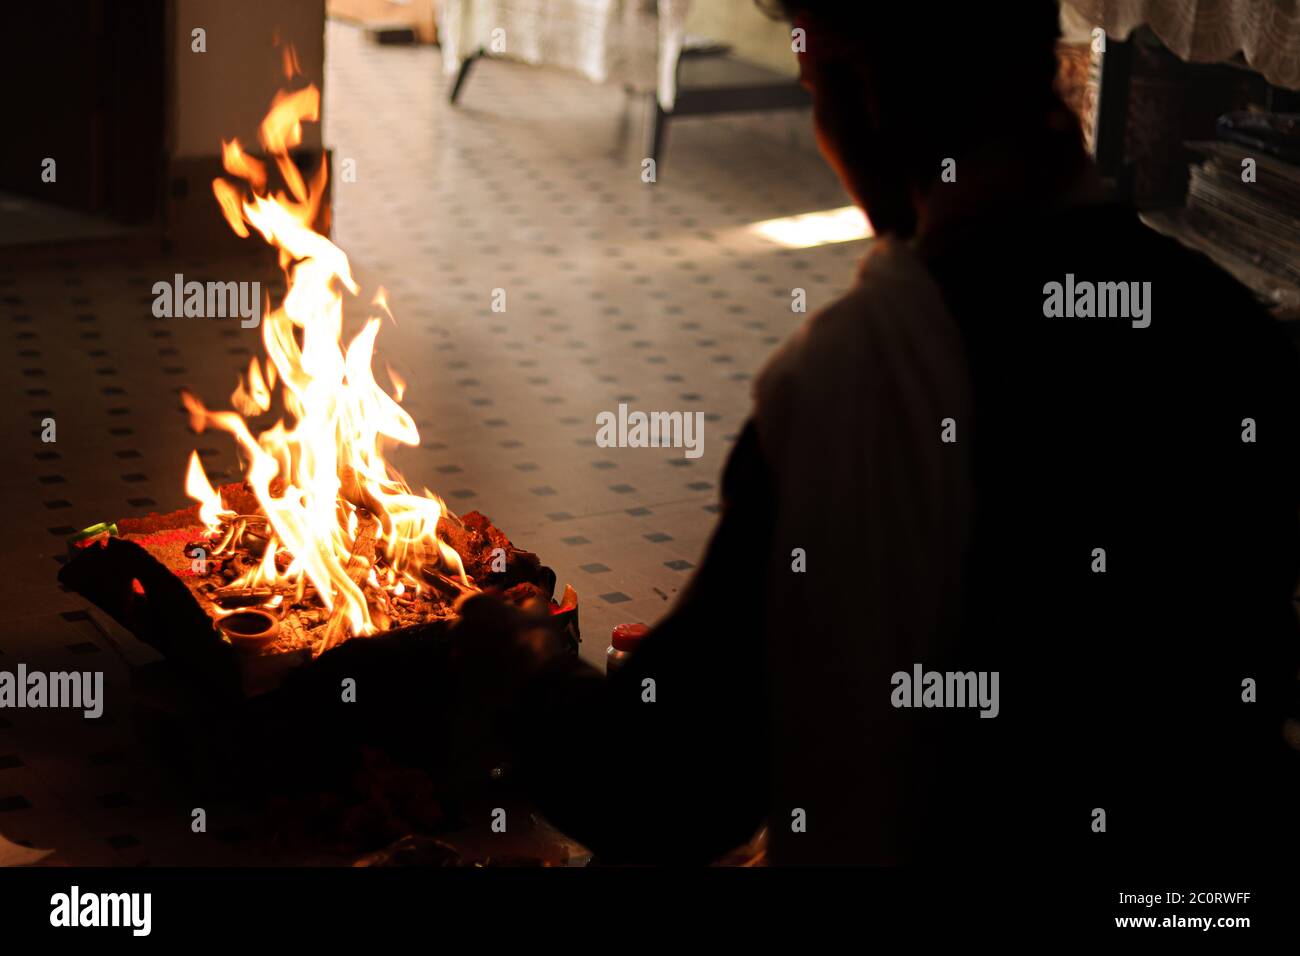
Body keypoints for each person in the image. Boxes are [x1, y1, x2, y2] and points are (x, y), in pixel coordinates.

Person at [450, 1, 1300, 867]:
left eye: (816, 85)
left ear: (864, 97)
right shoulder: (1236, 333)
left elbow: (675, 790)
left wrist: (517, 670)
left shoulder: (859, 380)